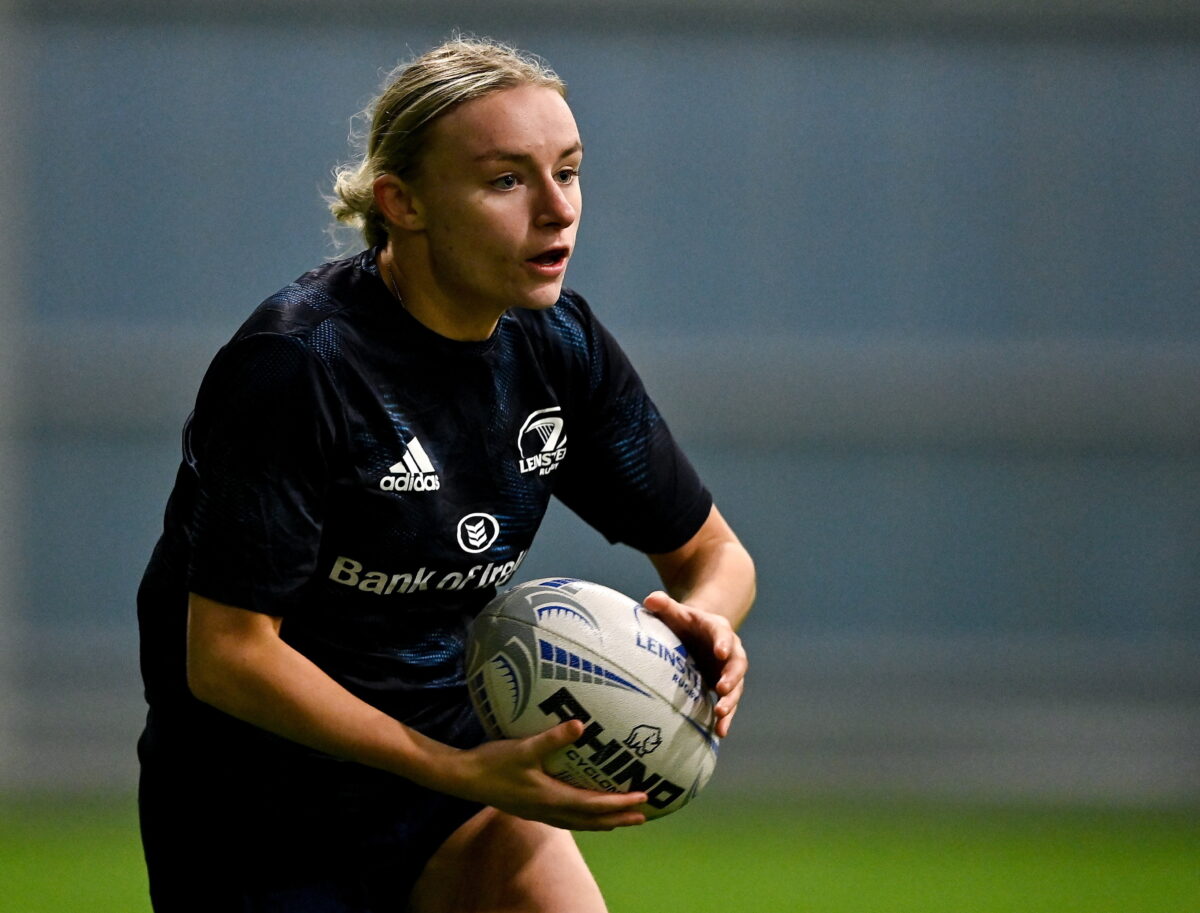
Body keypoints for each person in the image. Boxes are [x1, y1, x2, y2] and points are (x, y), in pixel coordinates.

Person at [136, 36, 755, 913]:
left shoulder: (558, 346)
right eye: (507, 180)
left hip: (461, 789)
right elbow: (229, 657)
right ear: (403, 202)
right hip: (256, 808)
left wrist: (697, 629)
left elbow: (716, 553)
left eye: (569, 172)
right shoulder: (300, 365)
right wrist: (455, 764)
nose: (557, 209)